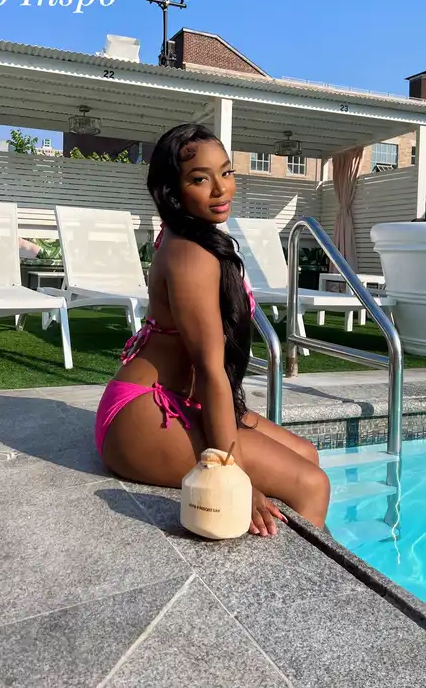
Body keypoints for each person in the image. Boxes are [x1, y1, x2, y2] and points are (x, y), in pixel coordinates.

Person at [95, 123, 330, 536]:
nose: (221, 189)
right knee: (311, 484)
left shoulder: (193, 235)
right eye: (200, 179)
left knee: (307, 454)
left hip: (178, 398)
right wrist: (231, 472)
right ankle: (286, 575)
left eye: (226, 172)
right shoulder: (191, 256)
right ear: (173, 191)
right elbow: (209, 370)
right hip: (141, 415)